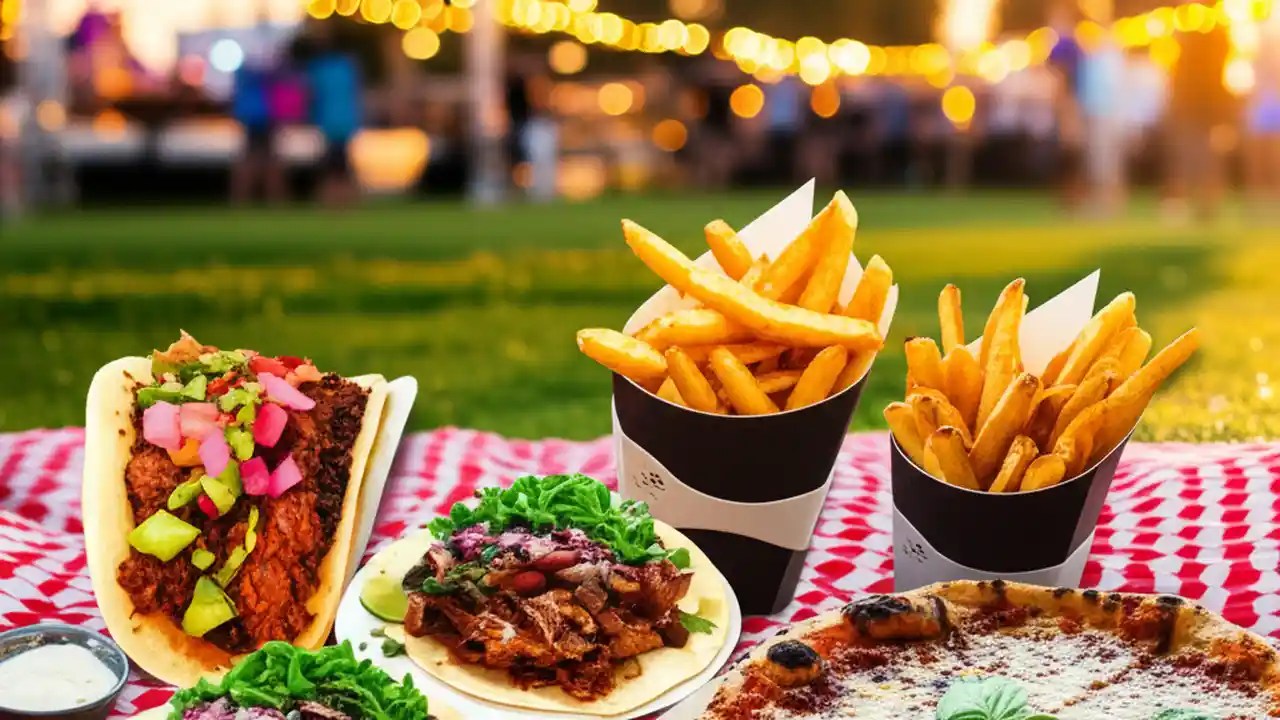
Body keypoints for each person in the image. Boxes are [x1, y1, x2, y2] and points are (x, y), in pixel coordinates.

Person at [1166, 23, 1235, 222]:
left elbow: (1220, 72)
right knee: (1184, 159)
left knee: (1208, 161)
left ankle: (1207, 209)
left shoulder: (1215, 33)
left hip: (1207, 108)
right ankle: (1179, 207)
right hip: (1187, 107)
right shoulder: (1183, 32)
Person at [298, 21, 363, 207]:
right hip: (341, 120)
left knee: (335, 163)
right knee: (340, 162)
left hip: (332, 121)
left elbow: (310, 94)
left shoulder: (320, 68)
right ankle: (343, 200)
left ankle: (336, 200)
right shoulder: (345, 66)